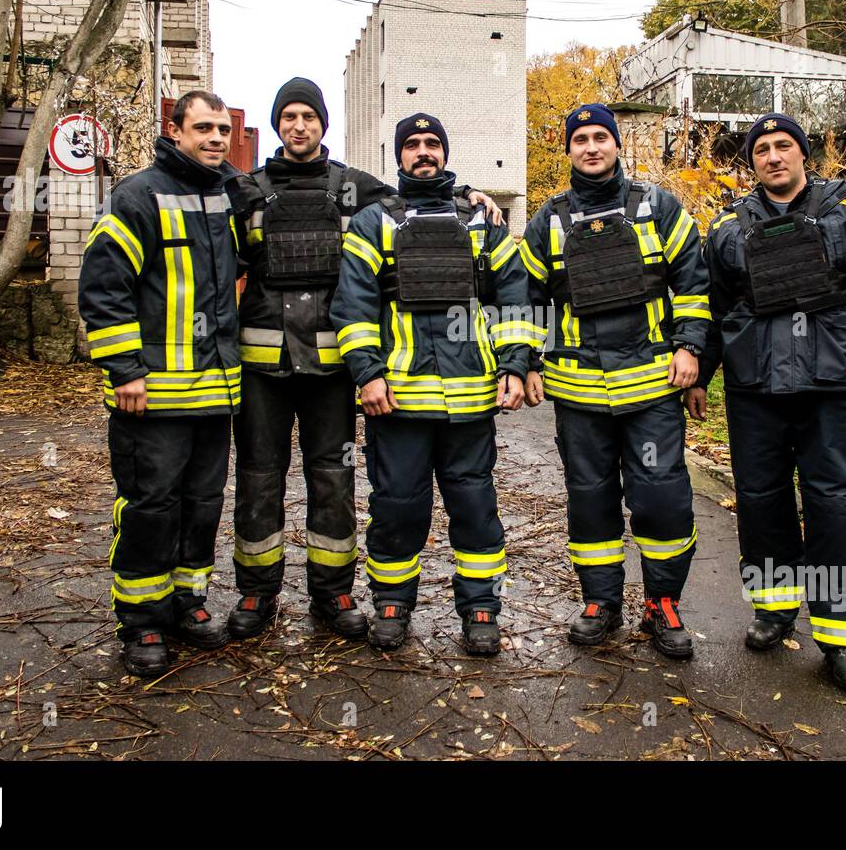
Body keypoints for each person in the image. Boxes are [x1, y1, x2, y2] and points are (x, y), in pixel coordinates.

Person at [222, 79, 505, 641]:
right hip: (263, 367)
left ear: (323, 124)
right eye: (289, 117)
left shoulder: (356, 190)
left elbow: (424, 194)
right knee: (258, 480)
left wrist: (471, 194)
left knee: (333, 479)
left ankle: (333, 593)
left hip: (332, 368)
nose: (298, 125)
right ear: (278, 125)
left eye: (309, 116)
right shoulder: (245, 191)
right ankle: (256, 594)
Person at [691, 111, 846, 692]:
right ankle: (773, 609)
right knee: (761, 500)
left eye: (783, 146)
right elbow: (711, 307)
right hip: (754, 387)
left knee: (833, 505)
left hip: (831, 384)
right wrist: (700, 374)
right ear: (752, 161)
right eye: (761, 149)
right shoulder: (727, 227)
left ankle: (842, 636)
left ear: (803, 154)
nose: (773, 156)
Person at [330, 112, 533, 655]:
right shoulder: (375, 222)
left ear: (445, 152)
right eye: (413, 145)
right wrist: (368, 374)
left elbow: (512, 296)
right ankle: (392, 605)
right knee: (397, 506)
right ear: (398, 156)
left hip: (470, 398)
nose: (424, 152)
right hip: (396, 401)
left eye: (432, 144)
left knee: (475, 507)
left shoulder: (481, 220)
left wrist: (515, 364)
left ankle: (482, 608)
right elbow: (353, 306)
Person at [520, 104, 711, 659]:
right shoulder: (547, 221)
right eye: (580, 139)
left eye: (601, 136)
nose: (591, 147)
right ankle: (601, 602)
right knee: (591, 500)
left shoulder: (658, 207)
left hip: (651, 387)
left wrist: (690, 346)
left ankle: (663, 604)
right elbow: (526, 301)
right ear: (569, 150)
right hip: (578, 394)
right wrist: (526, 359)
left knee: (661, 499)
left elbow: (693, 284)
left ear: (617, 145)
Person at [79, 91, 241, 677]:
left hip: (215, 395)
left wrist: (462, 196)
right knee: (151, 505)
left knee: (202, 505)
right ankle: (142, 620)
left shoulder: (230, 193)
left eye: (222, 129)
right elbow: (102, 286)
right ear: (175, 131)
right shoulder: (137, 195)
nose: (216, 139)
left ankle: (185, 602)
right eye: (203, 128)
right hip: (152, 396)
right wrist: (124, 369)